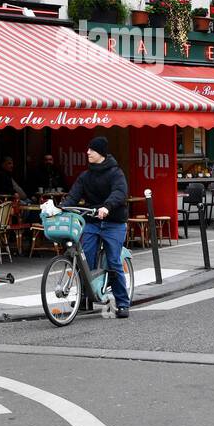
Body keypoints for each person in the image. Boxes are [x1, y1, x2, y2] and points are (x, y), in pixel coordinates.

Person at [63, 136, 131, 319]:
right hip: (92, 222)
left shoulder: (115, 173)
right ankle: (85, 297)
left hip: (113, 222)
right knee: (85, 258)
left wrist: (107, 207)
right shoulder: (86, 176)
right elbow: (73, 196)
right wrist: (61, 209)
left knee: (114, 261)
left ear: (100, 153)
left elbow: (120, 192)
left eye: (91, 150)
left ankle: (123, 303)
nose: (88, 153)